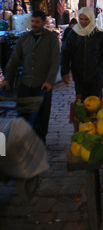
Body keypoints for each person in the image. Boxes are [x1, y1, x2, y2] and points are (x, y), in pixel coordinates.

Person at [1, 10, 60, 143]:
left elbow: (55, 61)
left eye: (37, 22)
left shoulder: (51, 39)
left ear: (43, 23)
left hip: (42, 85)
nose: (34, 24)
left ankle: (40, 143)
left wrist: (50, 81)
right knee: (23, 116)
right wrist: (7, 79)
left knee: (41, 118)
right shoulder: (24, 38)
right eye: (32, 21)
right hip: (26, 83)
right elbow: (14, 59)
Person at [61, 7, 103, 101]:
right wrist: (65, 71)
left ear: (91, 19)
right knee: (81, 104)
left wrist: (100, 64)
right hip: (79, 76)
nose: (83, 22)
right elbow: (66, 53)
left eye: (86, 19)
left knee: (95, 103)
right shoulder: (73, 34)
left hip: (96, 76)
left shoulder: (99, 33)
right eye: (81, 19)